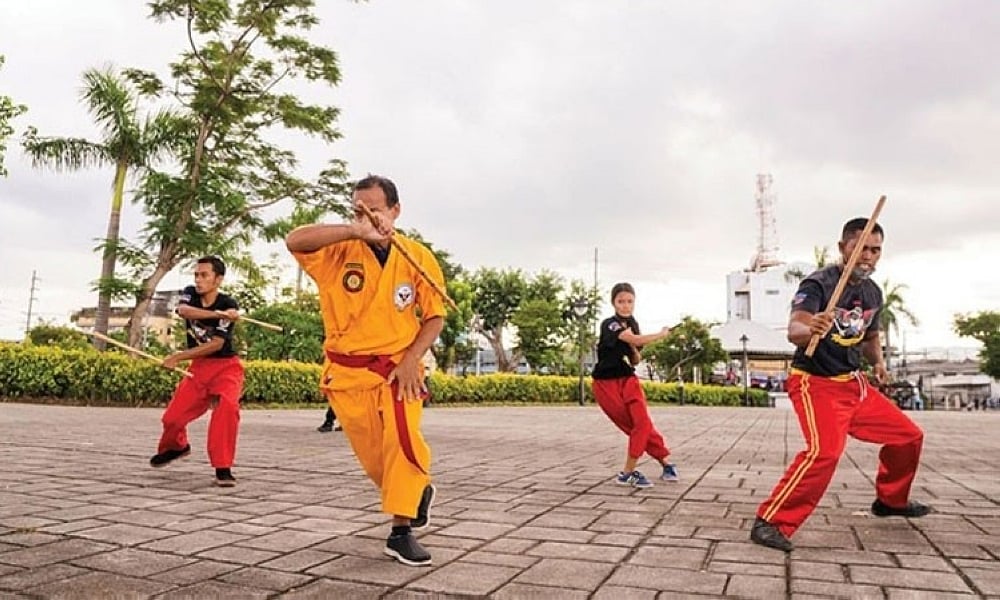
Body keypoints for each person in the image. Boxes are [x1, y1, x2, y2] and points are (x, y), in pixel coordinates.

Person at [285, 174, 445, 567]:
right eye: (359, 210)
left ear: (395, 210)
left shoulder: (417, 256)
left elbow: (435, 316)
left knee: (403, 442)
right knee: (375, 457)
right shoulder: (338, 250)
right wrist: (352, 230)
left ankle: (400, 531)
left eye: (375, 210)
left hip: (398, 370)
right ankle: (415, 491)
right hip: (348, 374)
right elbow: (294, 240)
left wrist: (411, 360)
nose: (368, 217)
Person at [751, 218, 930, 553]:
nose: (868, 256)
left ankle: (890, 501)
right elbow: (795, 330)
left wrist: (878, 363)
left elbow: (871, 336)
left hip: (854, 384)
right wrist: (812, 327)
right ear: (843, 247)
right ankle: (771, 521)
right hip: (815, 383)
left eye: (875, 250)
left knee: (909, 436)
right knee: (825, 452)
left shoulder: (873, 292)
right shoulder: (819, 284)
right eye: (861, 248)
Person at [151, 256, 244, 488]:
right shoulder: (190, 293)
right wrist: (218, 315)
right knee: (172, 419)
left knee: (227, 408)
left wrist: (178, 357)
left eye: (204, 275)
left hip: (226, 367)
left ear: (218, 279)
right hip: (199, 368)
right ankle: (177, 447)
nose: (198, 280)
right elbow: (184, 311)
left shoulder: (229, 303)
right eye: (196, 275)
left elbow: (216, 344)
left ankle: (223, 467)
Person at [591, 282, 679, 489]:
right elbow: (634, 339)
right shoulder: (610, 324)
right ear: (613, 303)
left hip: (627, 379)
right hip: (605, 383)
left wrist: (633, 348)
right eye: (621, 301)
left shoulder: (633, 323)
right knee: (632, 426)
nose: (625, 305)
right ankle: (663, 463)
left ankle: (629, 473)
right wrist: (661, 334)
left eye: (629, 301)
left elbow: (635, 360)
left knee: (643, 423)